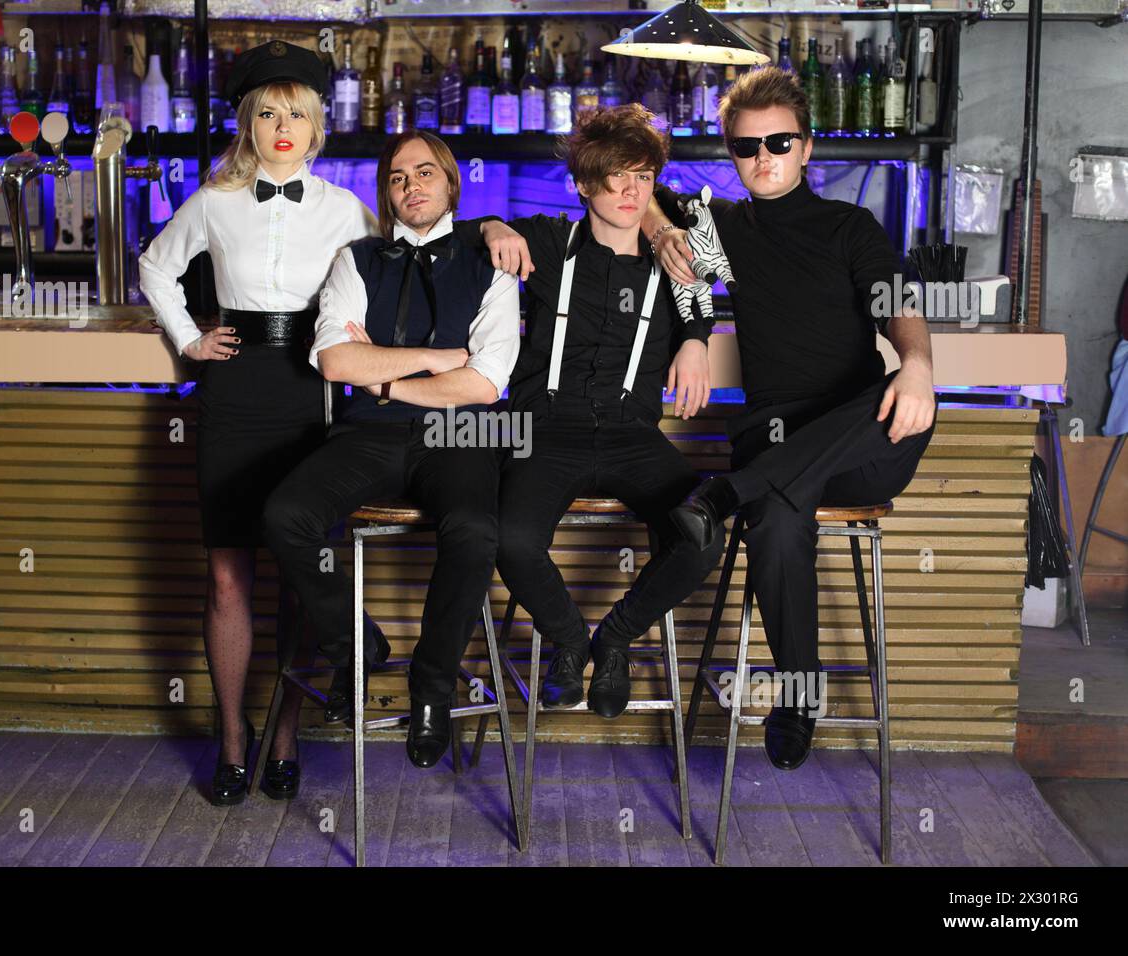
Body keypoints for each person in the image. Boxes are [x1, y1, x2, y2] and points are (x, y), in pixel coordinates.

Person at [643, 66, 939, 770]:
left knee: (900, 391)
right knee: (777, 511)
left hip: (864, 440)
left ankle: (724, 496)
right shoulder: (721, 230)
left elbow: (897, 299)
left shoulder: (849, 225)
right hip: (778, 445)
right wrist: (659, 229)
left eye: (780, 143)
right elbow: (635, 189)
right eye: (747, 148)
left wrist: (920, 362)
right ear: (732, 155)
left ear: (807, 149)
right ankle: (799, 695)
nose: (765, 158)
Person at [139, 40, 378, 806]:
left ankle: (285, 734)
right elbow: (154, 265)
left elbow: (382, 281)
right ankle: (233, 738)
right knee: (227, 574)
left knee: (300, 575)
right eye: (268, 113)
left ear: (316, 129)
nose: (282, 127)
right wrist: (188, 338)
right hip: (236, 387)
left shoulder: (346, 209)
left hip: (313, 393)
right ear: (249, 124)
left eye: (297, 115)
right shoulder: (212, 203)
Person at [263, 130, 521, 768]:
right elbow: (332, 360)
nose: (411, 186)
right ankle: (354, 644)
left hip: (457, 432)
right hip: (368, 431)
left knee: (474, 530)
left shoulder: (493, 263)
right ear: (387, 192)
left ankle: (432, 689)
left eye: (425, 172)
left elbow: (486, 382)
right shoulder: (357, 260)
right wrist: (435, 362)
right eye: (399, 178)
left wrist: (378, 373)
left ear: (451, 183)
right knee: (284, 515)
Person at [464, 104, 727, 719]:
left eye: (644, 176)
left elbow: (707, 276)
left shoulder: (676, 250)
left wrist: (696, 339)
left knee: (702, 532)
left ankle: (614, 640)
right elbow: (454, 230)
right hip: (547, 429)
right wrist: (489, 228)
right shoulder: (550, 241)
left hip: (633, 434)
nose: (633, 191)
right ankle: (570, 639)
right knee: (511, 537)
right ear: (584, 184)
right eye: (617, 177)